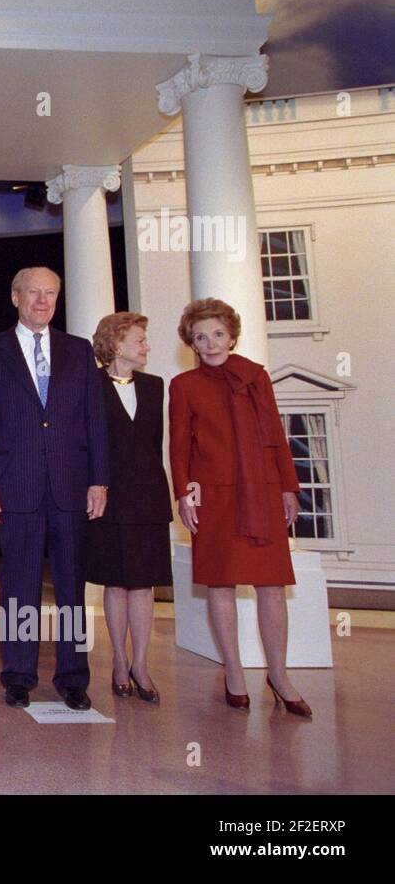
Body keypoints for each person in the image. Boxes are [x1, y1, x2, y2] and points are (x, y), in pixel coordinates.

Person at [0, 266, 108, 711]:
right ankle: (19, 674)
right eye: (33, 293)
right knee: (19, 584)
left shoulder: (79, 351)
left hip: (71, 485)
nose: (42, 301)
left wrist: (99, 479)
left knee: (70, 584)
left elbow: (95, 420)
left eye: (50, 294)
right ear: (15, 297)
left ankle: (72, 677)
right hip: (15, 485)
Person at [169, 298, 310, 717]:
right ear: (191, 344)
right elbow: (178, 448)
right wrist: (184, 494)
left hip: (262, 491)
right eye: (200, 337)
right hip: (213, 495)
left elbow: (275, 435)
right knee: (221, 584)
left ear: (231, 335)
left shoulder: (256, 377)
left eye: (216, 334)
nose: (210, 343)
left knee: (271, 586)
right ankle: (233, 670)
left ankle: (279, 674)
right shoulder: (184, 386)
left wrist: (288, 487)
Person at [86, 312, 172, 704]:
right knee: (116, 582)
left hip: (149, 497)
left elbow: (154, 444)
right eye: (140, 339)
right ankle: (119, 662)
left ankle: (142, 664)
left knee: (144, 583)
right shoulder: (91, 385)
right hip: (108, 497)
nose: (146, 346)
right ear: (117, 344)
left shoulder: (156, 387)